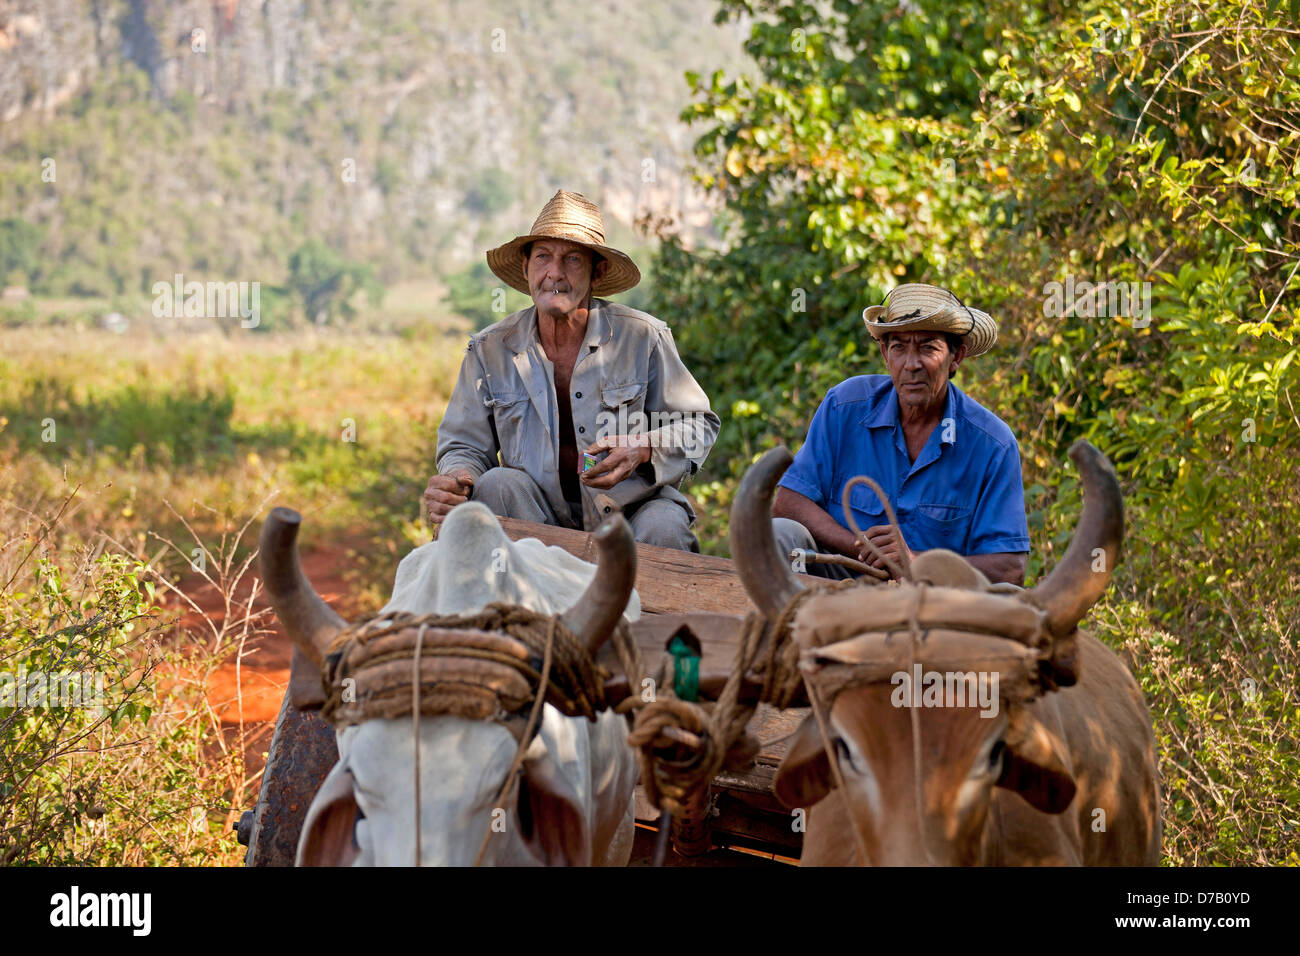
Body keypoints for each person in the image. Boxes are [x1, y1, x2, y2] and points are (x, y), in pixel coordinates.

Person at [425, 190, 719, 551]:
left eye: (573, 260)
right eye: (543, 257)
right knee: (497, 484)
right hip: (534, 522)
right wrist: (457, 479)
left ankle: (648, 605)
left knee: (665, 524)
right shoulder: (489, 350)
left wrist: (643, 447)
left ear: (598, 272)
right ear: (526, 268)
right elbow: (463, 444)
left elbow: (698, 426)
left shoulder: (643, 337)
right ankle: (522, 605)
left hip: (631, 516)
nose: (555, 273)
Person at [772, 283, 1030, 585]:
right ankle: (783, 630)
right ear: (885, 353)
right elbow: (789, 502)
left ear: (956, 357)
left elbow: (1010, 568)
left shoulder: (992, 444)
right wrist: (866, 549)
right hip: (840, 583)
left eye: (927, 347)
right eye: (899, 347)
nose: (911, 364)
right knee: (780, 534)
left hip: (933, 600)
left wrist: (914, 563)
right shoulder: (845, 407)